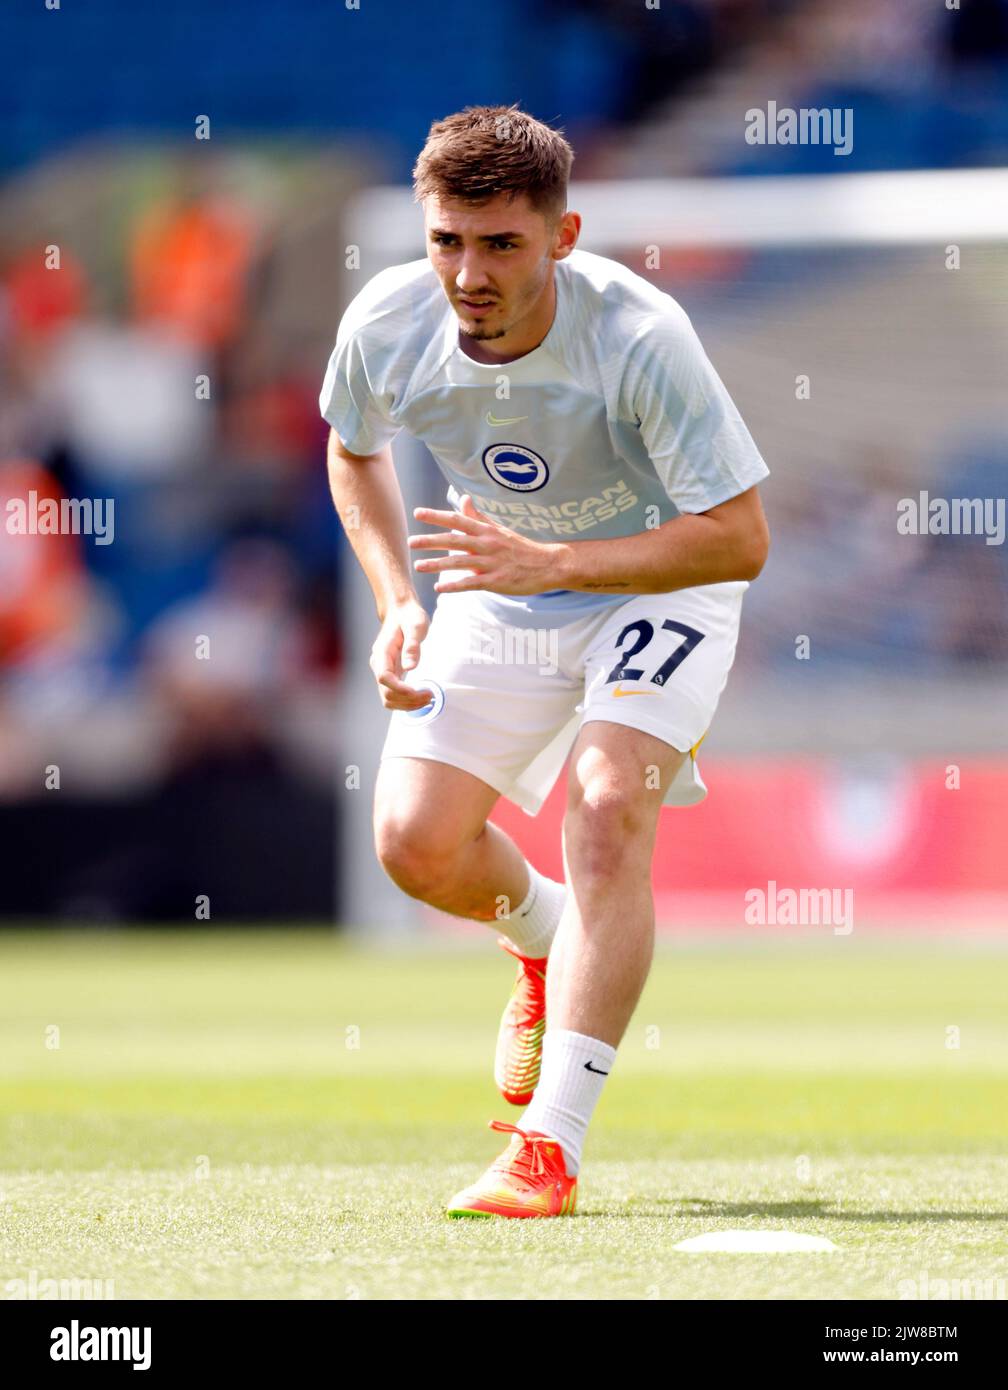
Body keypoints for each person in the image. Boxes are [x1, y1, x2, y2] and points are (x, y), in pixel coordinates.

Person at [321, 105, 770, 1218]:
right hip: (503, 579)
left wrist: (556, 561)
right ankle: (544, 939)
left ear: (562, 237)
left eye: (501, 245)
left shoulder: (642, 337)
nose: (468, 274)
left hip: (658, 585)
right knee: (414, 847)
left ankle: (548, 1148)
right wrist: (396, 601)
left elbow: (740, 537)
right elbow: (352, 449)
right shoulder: (386, 322)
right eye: (446, 241)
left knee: (608, 804)